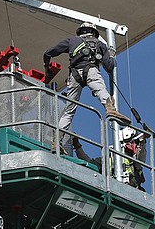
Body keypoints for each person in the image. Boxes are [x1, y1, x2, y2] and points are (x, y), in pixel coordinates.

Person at [43, 21, 129, 153]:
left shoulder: (71, 41)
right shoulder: (100, 44)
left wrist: (47, 67)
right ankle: (110, 109)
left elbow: (48, 52)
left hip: (74, 76)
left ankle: (57, 141)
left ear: (80, 32)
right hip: (91, 71)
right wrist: (111, 54)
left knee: (69, 110)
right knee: (101, 90)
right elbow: (110, 66)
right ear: (94, 33)